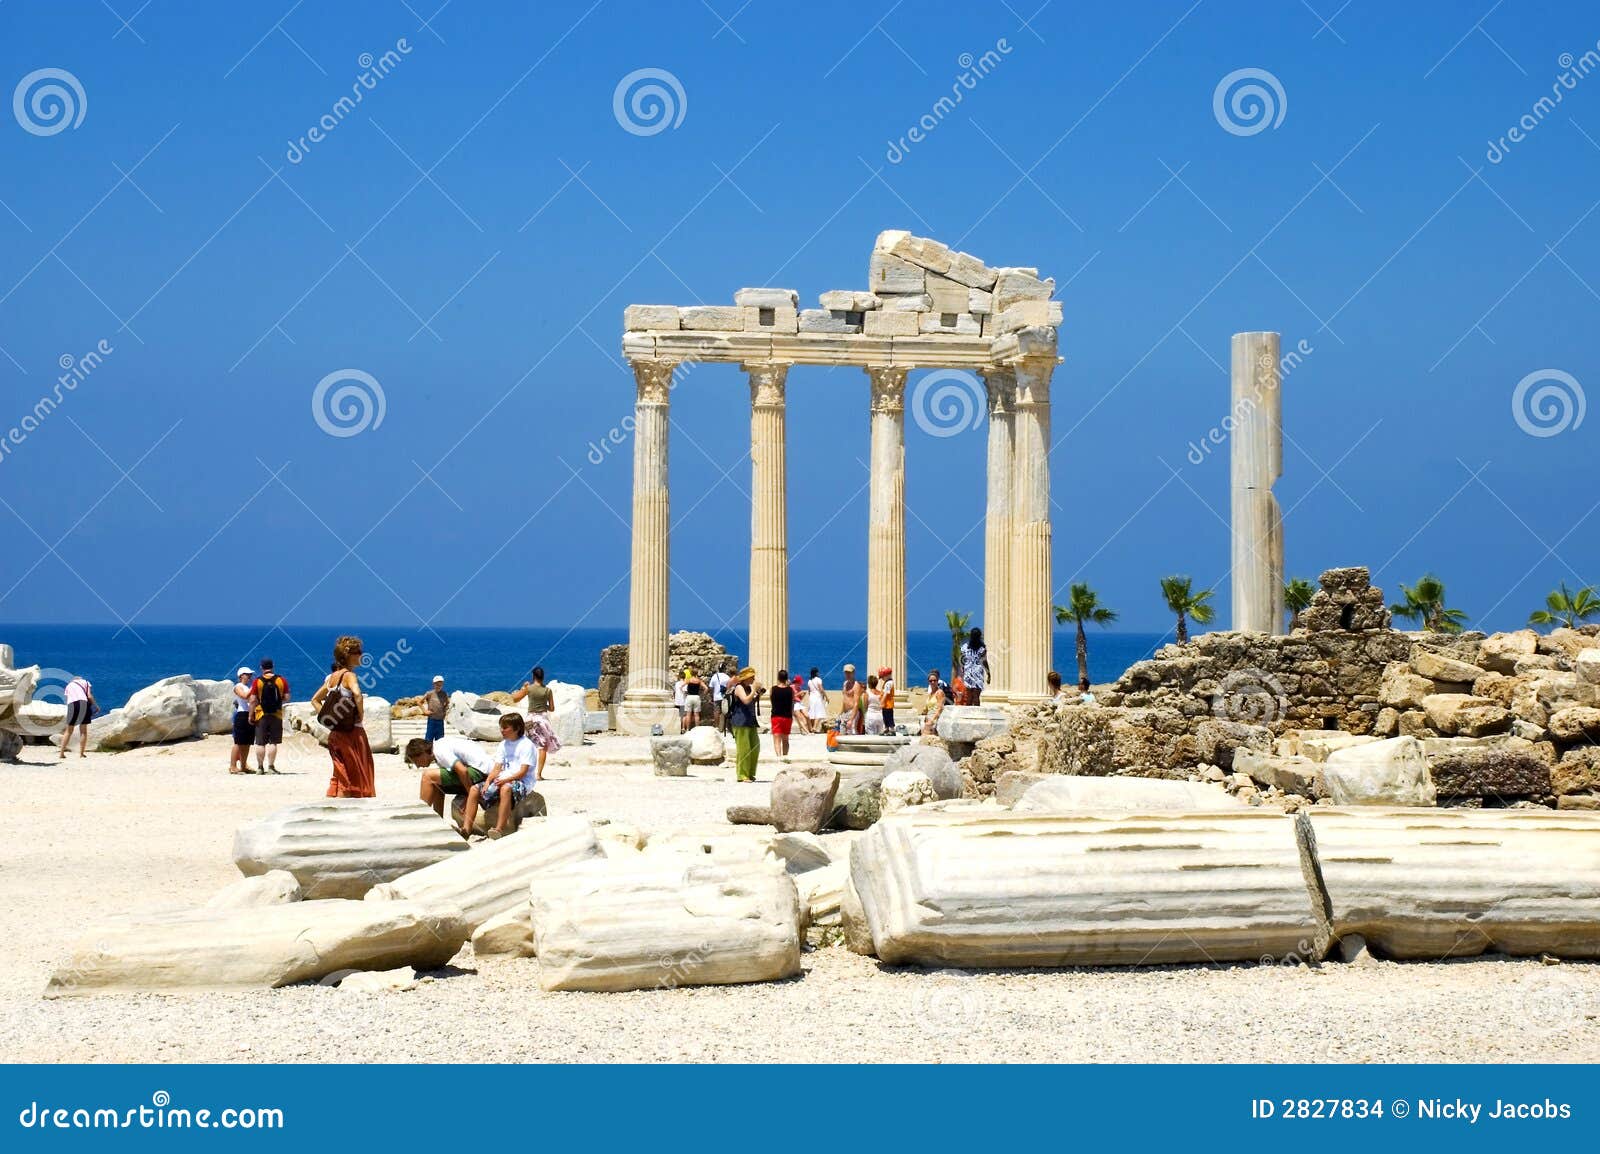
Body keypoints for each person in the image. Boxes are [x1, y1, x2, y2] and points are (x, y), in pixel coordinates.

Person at [310, 636, 375, 798]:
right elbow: (358, 694)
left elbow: (315, 700)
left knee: (341, 774)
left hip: (335, 734)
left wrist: (330, 720)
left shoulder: (332, 678)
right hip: (352, 733)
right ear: (349, 655)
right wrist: (360, 715)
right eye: (358, 652)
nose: (361, 655)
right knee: (357, 774)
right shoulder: (349, 676)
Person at [459, 713, 537, 838]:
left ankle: (499, 829)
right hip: (503, 778)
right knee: (475, 789)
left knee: (506, 788)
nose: (502, 730)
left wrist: (506, 780)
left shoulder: (527, 745)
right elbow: (496, 768)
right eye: (501, 727)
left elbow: (523, 772)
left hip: (522, 781)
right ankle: (466, 829)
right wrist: (488, 781)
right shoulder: (503, 744)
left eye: (505, 727)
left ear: (516, 728)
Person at [406, 734, 493, 819]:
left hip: (481, 771)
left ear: (422, 753)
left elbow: (463, 771)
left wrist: (470, 796)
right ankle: (438, 820)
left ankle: (421, 815)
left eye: (416, 761)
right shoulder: (439, 746)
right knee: (436, 784)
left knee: (428, 776)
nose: (418, 766)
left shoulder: (439, 751)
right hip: (481, 770)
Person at [249, 658, 290, 774]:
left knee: (260, 742)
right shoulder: (281, 680)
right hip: (276, 714)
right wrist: (278, 701)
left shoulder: (257, 681)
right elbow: (287, 697)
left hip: (261, 714)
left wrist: (250, 715)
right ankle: (271, 767)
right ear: (273, 666)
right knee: (273, 742)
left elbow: (252, 700)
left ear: (261, 667)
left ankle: (260, 768)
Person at [728, 666, 762, 782]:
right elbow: (746, 700)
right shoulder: (739, 687)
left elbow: (751, 700)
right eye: (752, 677)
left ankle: (750, 773)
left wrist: (756, 693)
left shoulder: (748, 688)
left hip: (750, 720)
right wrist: (753, 690)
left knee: (755, 747)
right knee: (744, 749)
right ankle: (742, 774)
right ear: (746, 678)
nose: (753, 679)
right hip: (740, 721)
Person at [59, 674, 96, 760]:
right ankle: (81, 754)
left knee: (68, 731)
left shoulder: (69, 685)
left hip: (72, 705)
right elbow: (89, 696)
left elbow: (68, 698)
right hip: (83, 704)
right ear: (80, 679)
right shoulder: (86, 682)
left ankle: (61, 753)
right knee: (83, 731)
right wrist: (96, 706)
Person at [228, 666, 255, 774]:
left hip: (249, 714)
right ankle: (233, 766)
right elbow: (244, 696)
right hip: (241, 714)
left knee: (247, 742)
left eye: (250, 675)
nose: (249, 676)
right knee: (238, 742)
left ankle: (244, 765)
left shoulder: (247, 687)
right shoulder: (238, 686)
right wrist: (254, 687)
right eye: (247, 674)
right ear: (241, 676)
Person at [959, 628, 990, 705]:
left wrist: (962, 669)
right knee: (976, 696)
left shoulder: (964, 647)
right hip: (978, 673)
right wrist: (988, 673)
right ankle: (977, 714)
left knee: (969, 696)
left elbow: (962, 660)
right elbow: (984, 662)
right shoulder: (982, 648)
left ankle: (968, 714)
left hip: (968, 672)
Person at [769, 668, 794, 756]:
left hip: (776, 716)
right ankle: (785, 756)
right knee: (785, 739)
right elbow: (792, 703)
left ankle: (779, 757)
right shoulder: (790, 690)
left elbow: (772, 701)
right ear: (787, 678)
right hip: (787, 716)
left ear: (778, 678)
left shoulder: (773, 689)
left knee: (776, 738)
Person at [921, 668, 951, 735]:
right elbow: (926, 708)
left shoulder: (939, 693)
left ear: (937, 681)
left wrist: (932, 720)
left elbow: (940, 709)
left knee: (926, 734)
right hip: (928, 717)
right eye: (931, 681)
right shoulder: (930, 694)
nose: (933, 682)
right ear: (928, 682)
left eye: (935, 680)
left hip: (935, 718)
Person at [421, 675, 449, 742]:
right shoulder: (429, 693)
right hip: (432, 720)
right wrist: (424, 711)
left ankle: (438, 752)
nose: (438, 686)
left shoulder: (444, 694)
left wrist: (444, 711)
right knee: (428, 740)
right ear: (434, 684)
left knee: (440, 740)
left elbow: (447, 702)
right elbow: (419, 702)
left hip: (440, 720)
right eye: (437, 684)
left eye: (440, 684)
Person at [839, 664, 862, 735]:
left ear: (853, 673)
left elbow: (856, 703)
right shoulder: (845, 684)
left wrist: (852, 719)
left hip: (852, 712)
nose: (847, 674)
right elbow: (844, 699)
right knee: (842, 733)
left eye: (849, 672)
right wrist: (840, 713)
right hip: (845, 713)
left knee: (851, 733)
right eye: (846, 672)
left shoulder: (856, 685)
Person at [707, 665, 732, 730]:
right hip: (724, 697)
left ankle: (717, 726)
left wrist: (711, 696)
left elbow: (711, 687)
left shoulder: (714, 676)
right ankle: (724, 726)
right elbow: (730, 686)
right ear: (724, 669)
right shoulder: (727, 677)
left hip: (716, 697)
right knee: (725, 711)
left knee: (716, 711)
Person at [806, 667, 828, 732]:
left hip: (811, 698)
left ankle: (812, 728)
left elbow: (809, 691)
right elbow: (821, 689)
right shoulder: (819, 680)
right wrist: (826, 697)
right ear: (816, 673)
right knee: (819, 712)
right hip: (817, 697)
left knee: (812, 712)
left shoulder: (809, 681)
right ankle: (814, 727)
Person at [878, 666, 896, 733]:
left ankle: (892, 728)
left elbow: (886, 693)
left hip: (888, 703)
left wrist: (882, 702)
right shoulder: (887, 682)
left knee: (889, 716)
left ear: (887, 675)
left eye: (882, 677)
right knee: (885, 715)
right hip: (886, 704)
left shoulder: (889, 683)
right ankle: (886, 727)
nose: (882, 678)